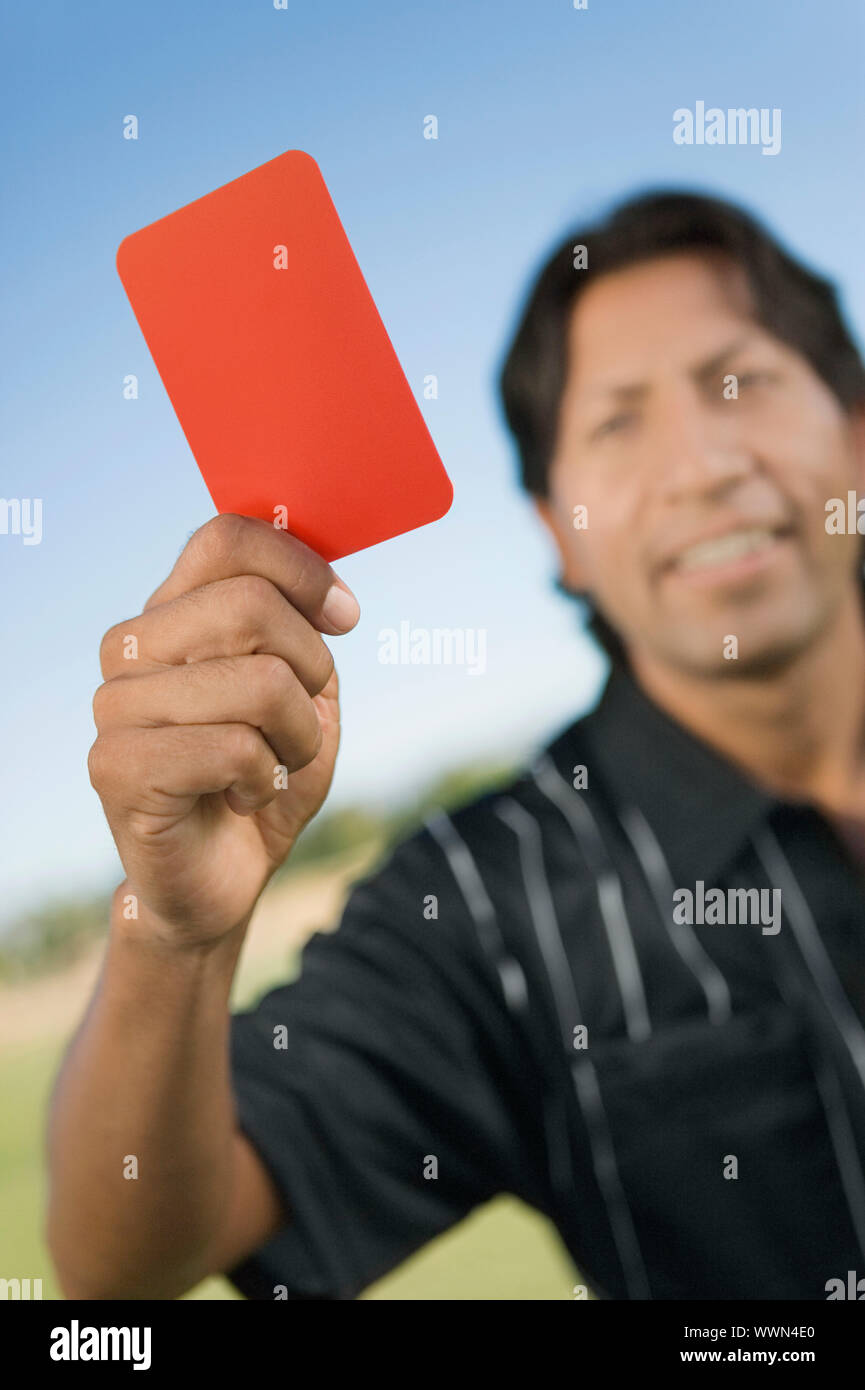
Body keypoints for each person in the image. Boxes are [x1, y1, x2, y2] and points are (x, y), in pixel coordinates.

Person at [46, 190, 865, 1301]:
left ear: (854, 436)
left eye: (741, 382)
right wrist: (173, 939)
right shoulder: (482, 903)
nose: (701, 463)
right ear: (555, 531)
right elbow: (126, 1260)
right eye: (617, 421)